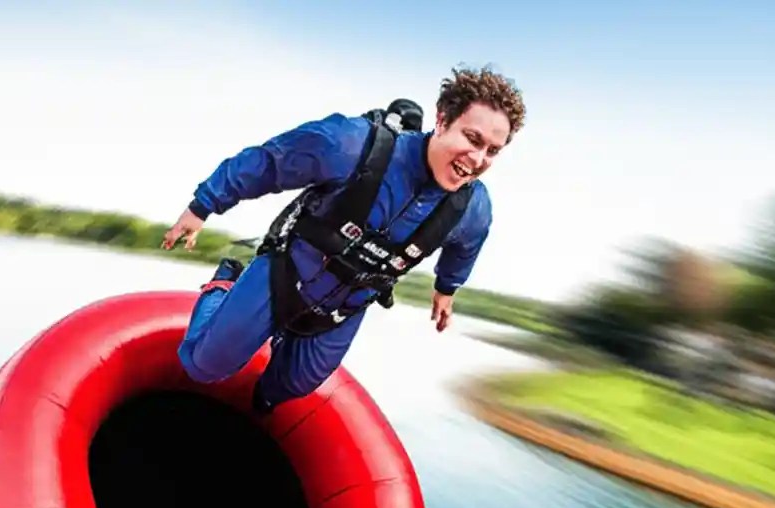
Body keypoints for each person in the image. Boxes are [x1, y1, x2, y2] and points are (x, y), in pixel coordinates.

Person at [160, 65, 526, 416]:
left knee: (293, 384)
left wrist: (447, 287)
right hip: (286, 274)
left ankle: (267, 393)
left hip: (345, 305)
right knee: (203, 367)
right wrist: (204, 205)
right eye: (472, 138)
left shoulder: (472, 207)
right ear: (443, 119)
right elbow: (269, 162)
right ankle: (224, 284)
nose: (477, 159)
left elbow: (468, 244)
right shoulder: (351, 145)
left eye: (492, 151)